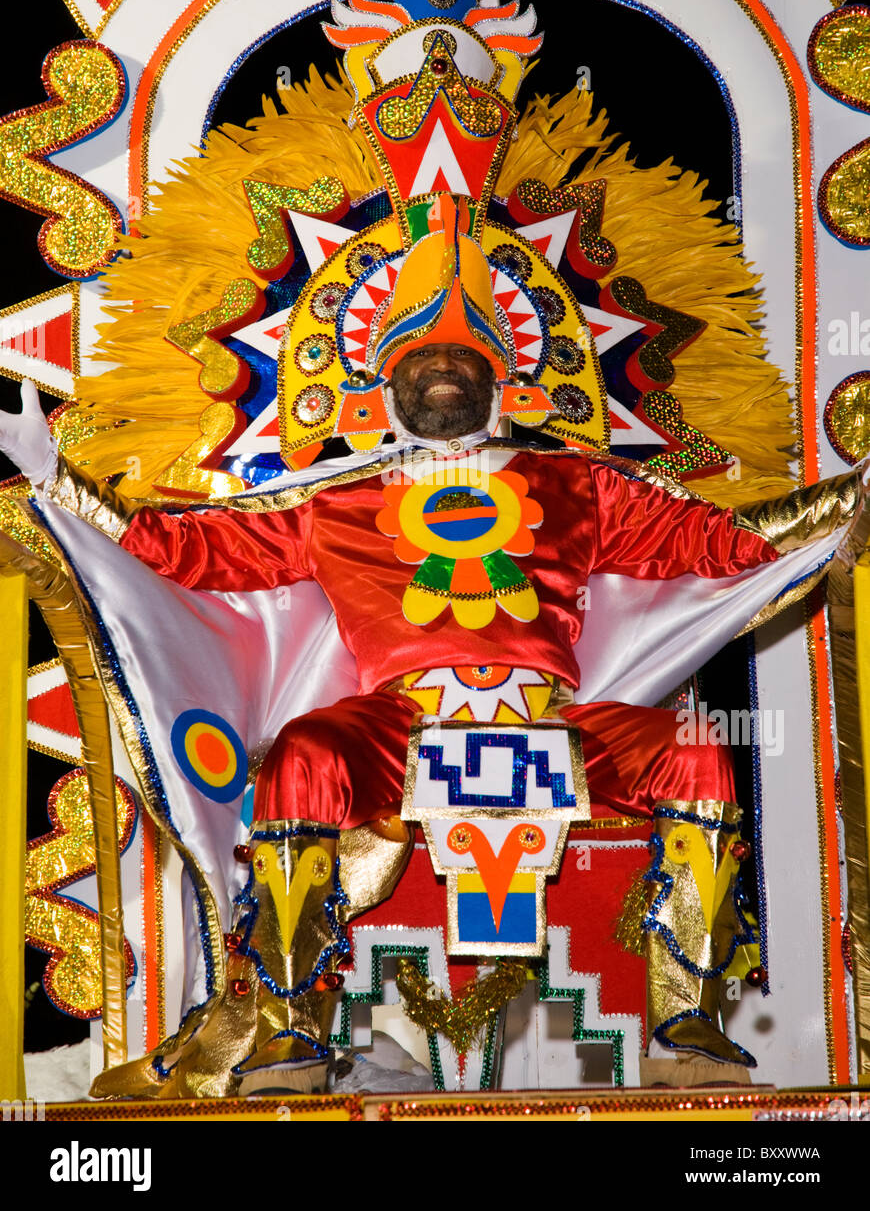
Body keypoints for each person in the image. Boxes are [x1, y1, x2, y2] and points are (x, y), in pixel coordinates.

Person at [2, 218, 866, 1097]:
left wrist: (847, 502)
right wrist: (57, 483)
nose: (443, 364)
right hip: (399, 725)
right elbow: (186, 552)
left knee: (693, 754)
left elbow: (720, 544)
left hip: (552, 722)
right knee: (303, 759)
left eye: (467, 352)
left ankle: (688, 1022)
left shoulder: (580, 483)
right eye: (419, 353)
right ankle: (287, 1031)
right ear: (384, 379)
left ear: (504, 373)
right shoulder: (337, 501)